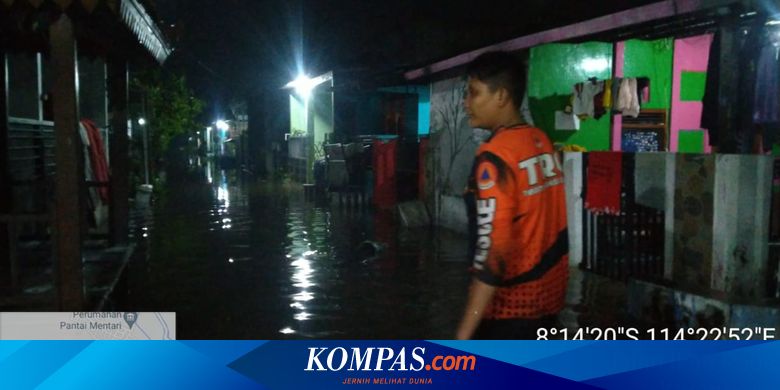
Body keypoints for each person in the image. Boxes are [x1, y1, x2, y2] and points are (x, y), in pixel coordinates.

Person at [456, 51, 569, 339]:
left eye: (473, 93)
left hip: (507, 314)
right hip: (548, 308)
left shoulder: (496, 157)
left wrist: (463, 336)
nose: (466, 103)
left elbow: (492, 254)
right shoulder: (540, 141)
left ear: (501, 96)